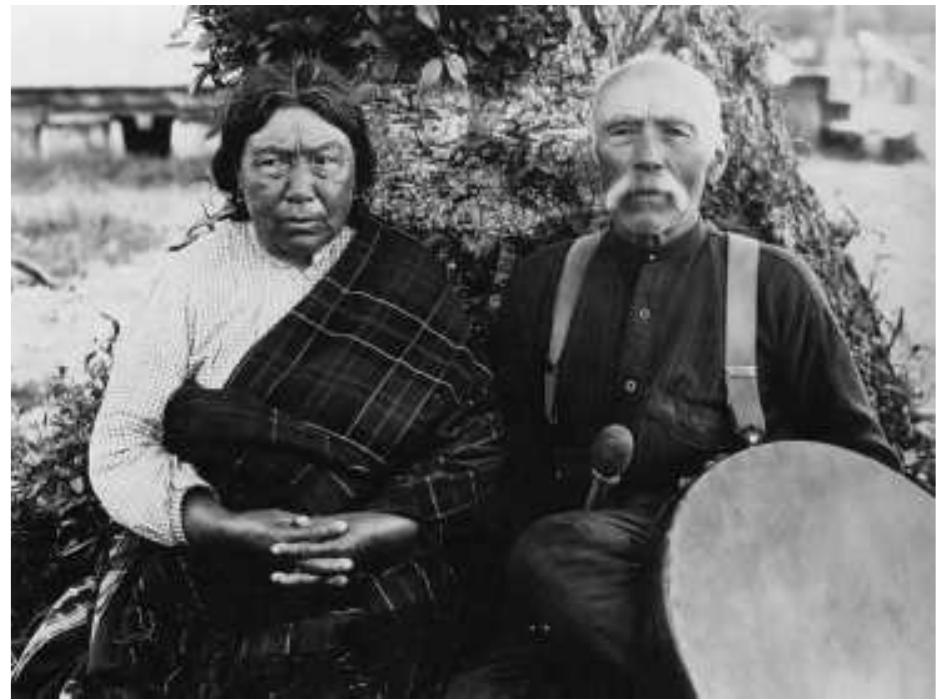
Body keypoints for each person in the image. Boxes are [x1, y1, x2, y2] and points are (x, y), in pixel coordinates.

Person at [13, 61, 503, 698]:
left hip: (369, 565)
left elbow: (475, 444)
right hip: (209, 561)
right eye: (273, 162)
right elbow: (122, 445)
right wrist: (222, 524)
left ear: (359, 173)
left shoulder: (407, 279)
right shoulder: (196, 277)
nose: (301, 188)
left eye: (326, 162)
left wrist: (382, 528)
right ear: (235, 175)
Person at [470, 53, 901, 696]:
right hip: (595, 573)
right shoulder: (545, 281)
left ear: (718, 159)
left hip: (748, 569)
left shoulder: (775, 284)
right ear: (596, 158)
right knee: (551, 558)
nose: (648, 156)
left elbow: (863, 473)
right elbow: (515, 463)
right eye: (623, 132)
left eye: (675, 132)